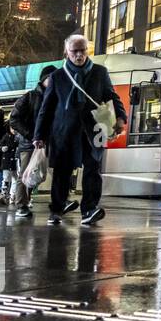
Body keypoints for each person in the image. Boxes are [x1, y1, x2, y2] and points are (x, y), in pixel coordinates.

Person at [33, 34, 127, 226]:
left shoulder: (100, 72)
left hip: (94, 131)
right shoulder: (57, 77)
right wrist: (39, 135)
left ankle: (89, 210)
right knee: (62, 172)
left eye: (82, 50)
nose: (79, 55)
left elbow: (112, 96)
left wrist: (120, 117)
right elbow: (47, 108)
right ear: (66, 52)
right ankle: (57, 210)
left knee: (93, 170)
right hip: (64, 132)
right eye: (74, 51)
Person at [8, 65, 56, 217]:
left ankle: (32, 200)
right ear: (44, 80)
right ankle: (21, 204)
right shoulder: (30, 97)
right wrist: (32, 136)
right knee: (25, 174)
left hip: (50, 143)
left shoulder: (57, 98)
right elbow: (14, 119)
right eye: (51, 78)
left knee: (43, 174)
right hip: (29, 144)